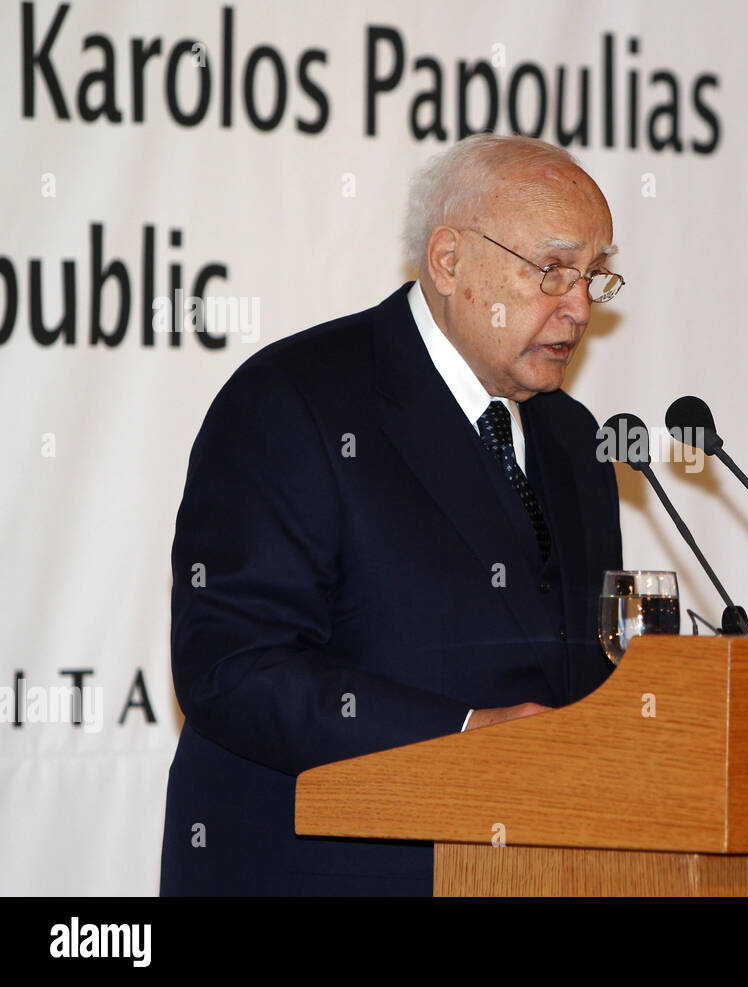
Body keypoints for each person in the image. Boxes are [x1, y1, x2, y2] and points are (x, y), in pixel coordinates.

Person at [160, 134, 624, 895]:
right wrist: (468, 735)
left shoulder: (573, 439)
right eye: (552, 270)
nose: (578, 306)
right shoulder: (294, 400)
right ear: (449, 261)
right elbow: (232, 666)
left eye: (593, 275)